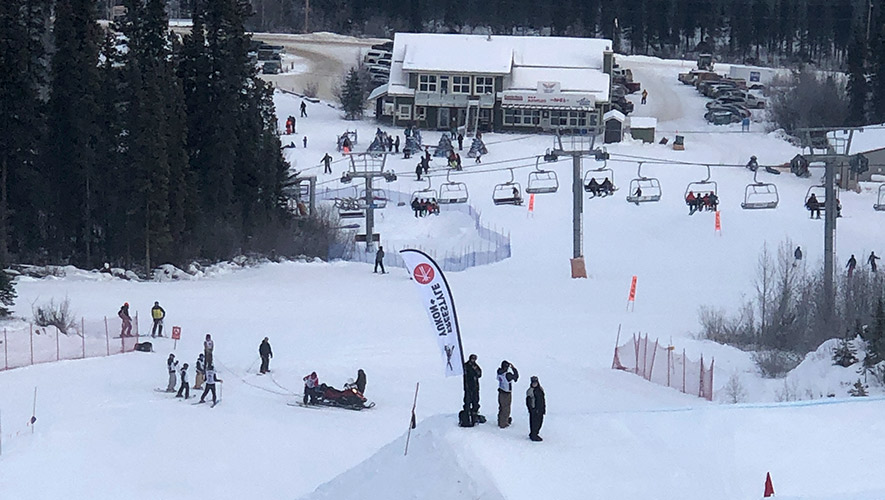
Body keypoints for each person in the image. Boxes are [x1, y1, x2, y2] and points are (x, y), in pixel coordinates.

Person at [496, 360, 519, 428]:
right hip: (506, 392)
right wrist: (513, 368)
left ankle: (500, 420)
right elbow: (516, 377)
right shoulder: (507, 374)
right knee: (506, 408)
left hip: (500, 391)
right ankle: (503, 423)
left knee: (501, 407)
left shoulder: (499, 372)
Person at [525, 375, 546, 441]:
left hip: (540, 409)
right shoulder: (530, 391)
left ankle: (535, 433)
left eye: (536, 383)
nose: (534, 384)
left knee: (540, 422)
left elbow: (543, 399)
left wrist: (543, 408)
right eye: (533, 383)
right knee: (534, 422)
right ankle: (533, 434)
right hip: (534, 409)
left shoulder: (540, 389)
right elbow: (528, 402)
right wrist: (531, 409)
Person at [463, 354, 482, 424]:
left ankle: (474, 415)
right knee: (467, 401)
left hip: (475, 387)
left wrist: (476, 370)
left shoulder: (475, 366)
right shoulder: (466, 366)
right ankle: (467, 415)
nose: (473, 360)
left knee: (475, 401)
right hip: (468, 387)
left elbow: (479, 374)